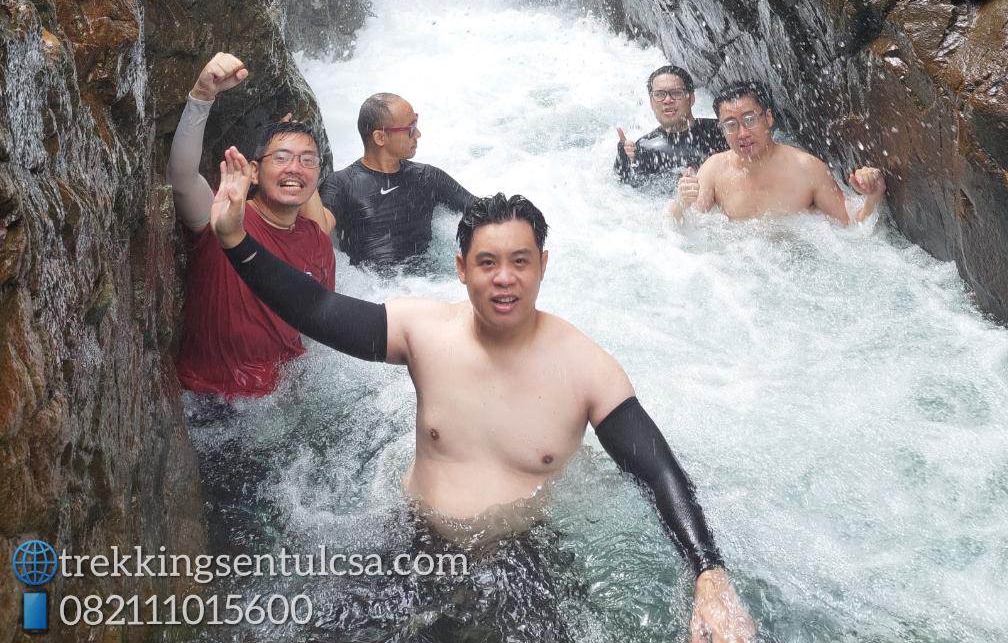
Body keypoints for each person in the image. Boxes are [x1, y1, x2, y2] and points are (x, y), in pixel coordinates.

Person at [209, 166, 757, 643]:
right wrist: (236, 239)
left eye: (520, 261)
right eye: (487, 262)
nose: (504, 278)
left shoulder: (587, 368)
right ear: (461, 268)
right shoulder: (422, 331)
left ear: (542, 264)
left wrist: (709, 574)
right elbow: (317, 308)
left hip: (520, 552)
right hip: (414, 537)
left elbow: (658, 472)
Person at [168, 52, 336, 397]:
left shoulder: (317, 241)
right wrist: (201, 97)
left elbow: (321, 324)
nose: (296, 168)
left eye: (308, 161)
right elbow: (182, 179)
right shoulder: (226, 214)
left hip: (282, 399)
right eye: (283, 158)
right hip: (213, 401)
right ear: (256, 172)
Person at [675, 81, 885, 224]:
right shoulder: (715, 168)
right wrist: (680, 203)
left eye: (750, 120)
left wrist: (873, 197)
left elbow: (851, 228)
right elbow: (683, 233)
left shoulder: (808, 169)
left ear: (768, 118)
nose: (742, 133)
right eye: (730, 125)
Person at [320, 93, 477, 268]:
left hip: (429, 283)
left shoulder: (428, 177)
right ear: (380, 137)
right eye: (410, 128)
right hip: (372, 290)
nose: (417, 134)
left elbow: (481, 210)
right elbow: (317, 232)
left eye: (416, 123)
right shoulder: (342, 184)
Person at [616, 64, 725, 184]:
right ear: (651, 103)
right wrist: (623, 162)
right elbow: (630, 191)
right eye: (659, 95)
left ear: (691, 98)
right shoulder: (644, 148)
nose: (668, 100)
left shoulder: (721, 131)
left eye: (676, 93)